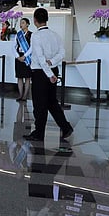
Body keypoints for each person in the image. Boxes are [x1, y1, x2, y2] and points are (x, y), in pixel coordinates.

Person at [23, 8, 72, 142]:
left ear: (34, 20)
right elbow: (62, 53)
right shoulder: (55, 35)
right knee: (52, 102)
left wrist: (49, 73)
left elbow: (39, 57)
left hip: (41, 73)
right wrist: (52, 63)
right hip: (52, 70)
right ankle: (65, 127)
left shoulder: (36, 36)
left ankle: (39, 133)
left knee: (40, 104)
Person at [12, 17, 33, 102]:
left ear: (27, 24)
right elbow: (14, 46)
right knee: (19, 77)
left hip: (27, 57)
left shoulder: (31, 34)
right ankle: (20, 95)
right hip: (19, 57)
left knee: (27, 77)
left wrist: (25, 56)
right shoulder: (18, 34)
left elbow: (32, 47)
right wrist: (17, 56)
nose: (21, 24)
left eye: (23, 23)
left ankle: (25, 95)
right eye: (20, 23)